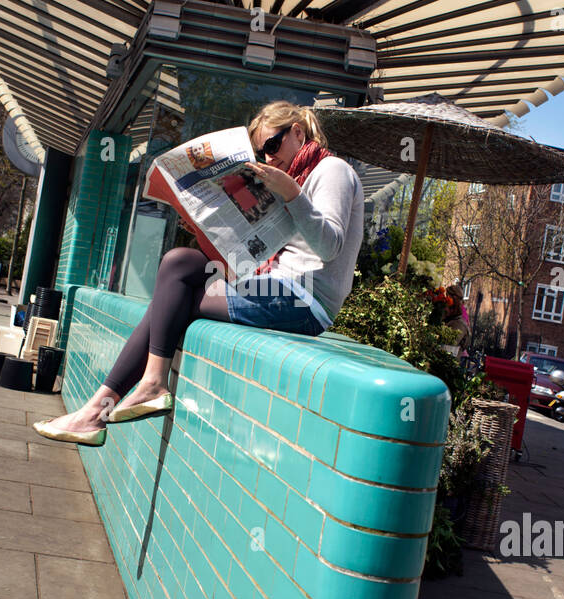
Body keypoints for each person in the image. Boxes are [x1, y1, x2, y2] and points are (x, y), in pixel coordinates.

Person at [34, 100, 364, 444]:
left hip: (304, 302)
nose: (267, 157)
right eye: (261, 151)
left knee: (171, 300)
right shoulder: (290, 177)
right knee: (179, 263)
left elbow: (330, 247)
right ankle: (122, 397)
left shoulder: (332, 171)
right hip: (273, 289)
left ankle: (109, 405)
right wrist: (205, 230)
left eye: (272, 145)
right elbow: (245, 259)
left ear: (297, 132)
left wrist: (292, 193)